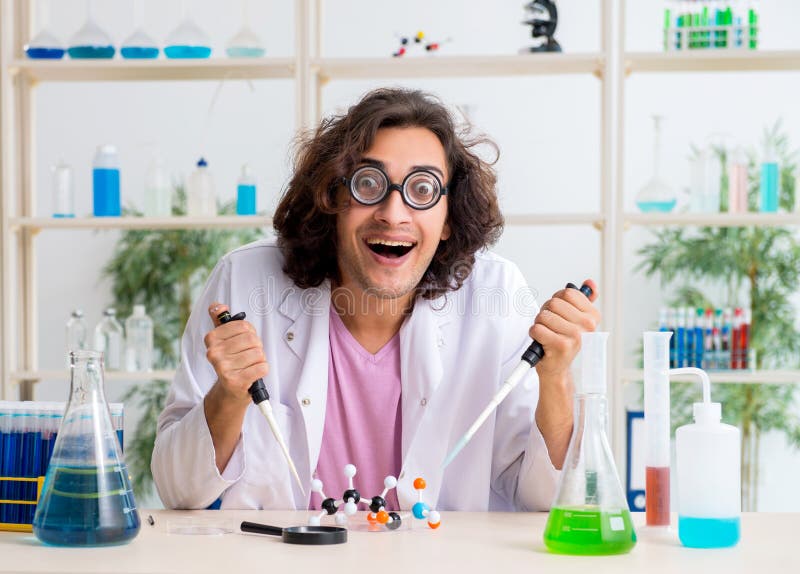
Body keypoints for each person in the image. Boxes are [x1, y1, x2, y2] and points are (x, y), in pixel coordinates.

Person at [152, 88, 600, 512]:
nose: (393, 213)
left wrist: (556, 378)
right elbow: (177, 490)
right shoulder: (245, 281)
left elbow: (551, 499)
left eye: (422, 189)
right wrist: (230, 396)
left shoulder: (496, 293)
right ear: (332, 197)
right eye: (368, 183)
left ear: (448, 217)